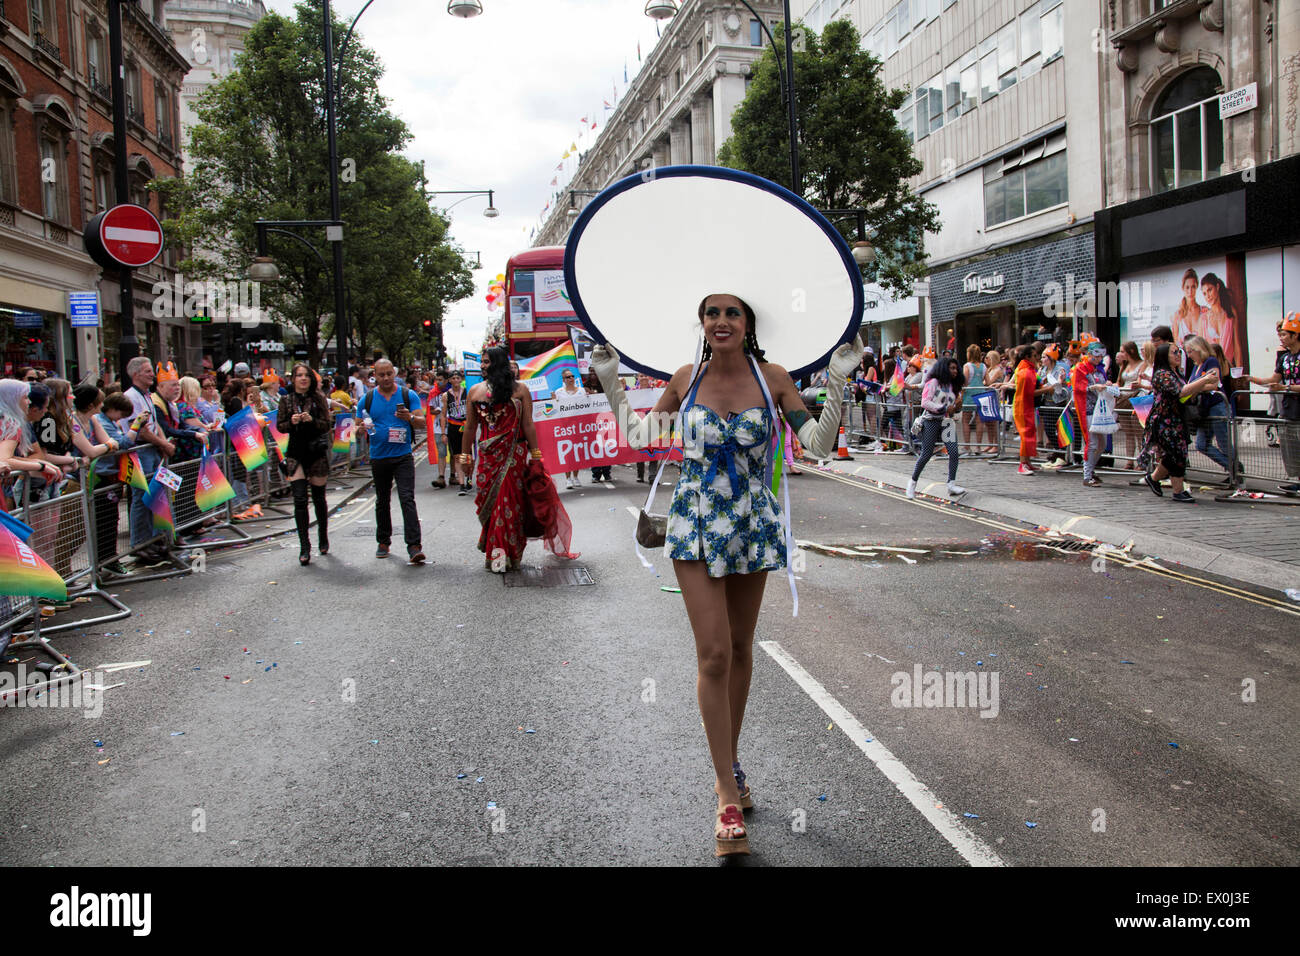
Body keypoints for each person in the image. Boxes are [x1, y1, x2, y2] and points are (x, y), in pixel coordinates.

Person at [591, 293, 862, 858]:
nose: (720, 322)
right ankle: (725, 794)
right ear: (702, 323)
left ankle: (731, 763)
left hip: (751, 523)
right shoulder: (686, 379)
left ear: (748, 324)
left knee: (741, 648)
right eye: (711, 313)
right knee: (713, 653)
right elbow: (640, 436)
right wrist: (609, 379)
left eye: (731, 313)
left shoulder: (775, 380)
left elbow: (818, 444)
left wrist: (838, 381)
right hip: (694, 520)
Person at [461, 346, 547, 571]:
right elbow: (470, 428)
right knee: (489, 505)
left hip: (513, 456)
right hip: (488, 458)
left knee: (508, 505)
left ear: (498, 363)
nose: (482, 366)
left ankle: (502, 556)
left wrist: (536, 455)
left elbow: (528, 424)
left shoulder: (520, 390)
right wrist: (465, 456)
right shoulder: (475, 392)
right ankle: (498, 551)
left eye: (487, 362)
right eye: (482, 362)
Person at [359, 358, 425, 563]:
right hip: (379, 456)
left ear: (394, 374)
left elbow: (422, 422)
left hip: (403, 456)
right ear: (375, 375)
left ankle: (414, 546)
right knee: (382, 501)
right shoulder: (367, 399)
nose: (386, 378)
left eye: (389, 373)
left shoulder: (408, 395)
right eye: (381, 374)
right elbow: (358, 425)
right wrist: (360, 429)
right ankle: (383, 542)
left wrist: (410, 419)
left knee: (407, 499)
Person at [1139, 342, 1220, 503]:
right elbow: (1180, 391)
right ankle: (1178, 491)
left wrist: (1204, 383)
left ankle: (1153, 478)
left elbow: (1185, 395)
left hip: (1176, 419)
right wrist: (1204, 380)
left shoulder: (1176, 373)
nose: (1178, 355)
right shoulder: (1163, 374)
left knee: (1175, 454)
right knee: (1177, 455)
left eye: (1179, 352)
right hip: (1164, 421)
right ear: (1164, 356)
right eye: (1174, 353)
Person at [278, 363, 334, 565]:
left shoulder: (318, 399)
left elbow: (327, 425)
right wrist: (291, 422)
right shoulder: (285, 400)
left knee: (319, 498)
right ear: (293, 379)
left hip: (316, 452)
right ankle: (304, 546)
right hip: (295, 453)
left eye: (306, 375)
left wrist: (311, 420)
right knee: (300, 499)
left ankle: (323, 537)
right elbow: (280, 426)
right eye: (299, 375)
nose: (303, 378)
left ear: (311, 379)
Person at [1247, 312, 1300, 492]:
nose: (1281, 338)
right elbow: (1273, 379)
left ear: (1295, 335)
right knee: (1292, 449)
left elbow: (1281, 385)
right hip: (1289, 410)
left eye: (1284, 334)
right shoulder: (1285, 358)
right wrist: (1252, 379)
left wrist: (1285, 388)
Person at [906, 357, 965, 499]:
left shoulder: (953, 386)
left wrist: (957, 405)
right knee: (926, 454)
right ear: (944, 368)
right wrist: (943, 408)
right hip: (931, 421)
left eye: (956, 368)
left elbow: (953, 408)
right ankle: (912, 483)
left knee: (954, 452)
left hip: (946, 421)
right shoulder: (933, 383)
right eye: (952, 368)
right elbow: (925, 402)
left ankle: (951, 484)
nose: (955, 371)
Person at [1184, 335, 1235, 484]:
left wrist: (1194, 388)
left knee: (1223, 441)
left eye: (1190, 351)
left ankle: (1235, 470)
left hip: (1216, 405)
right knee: (1201, 444)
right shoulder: (1196, 365)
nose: (1189, 355)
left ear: (1198, 349)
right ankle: (1233, 467)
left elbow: (1214, 384)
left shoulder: (1211, 361)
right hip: (1203, 408)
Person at [1073, 340, 1118, 487]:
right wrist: (1094, 387)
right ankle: (1087, 476)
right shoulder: (1080, 368)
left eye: (1101, 357)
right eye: (1096, 356)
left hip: (1100, 409)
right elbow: (1079, 387)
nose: (1099, 359)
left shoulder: (1099, 369)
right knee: (1092, 443)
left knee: (1103, 443)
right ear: (1090, 354)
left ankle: (1091, 470)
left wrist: (1107, 385)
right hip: (1087, 409)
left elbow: (1101, 384)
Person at [1003, 345, 1053, 474]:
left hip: (1025, 406)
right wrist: (1047, 389)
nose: (1037, 358)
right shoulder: (1026, 371)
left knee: (1030, 434)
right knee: (1026, 435)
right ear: (1028, 357)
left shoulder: (1026, 369)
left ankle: (1027, 462)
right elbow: (1029, 392)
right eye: (1035, 355)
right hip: (1023, 407)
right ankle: (1023, 464)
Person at [553, 369, 586, 489]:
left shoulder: (582, 391)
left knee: (578, 451)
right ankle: (568, 479)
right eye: (568, 377)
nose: (571, 378)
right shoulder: (558, 392)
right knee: (567, 452)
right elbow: (554, 409)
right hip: (565, 427)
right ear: (563, 380)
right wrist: (552, 400)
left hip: (579, 426)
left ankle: (576, 477)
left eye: (572, 376)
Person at [1114, 342, 1145, 468]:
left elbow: (1140, 381)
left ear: (1131, 351)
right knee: (1128, 432)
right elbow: (1119, 381)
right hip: (1123, 399)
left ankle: (1142, 460)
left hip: (1135, 398)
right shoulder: (1124, 365)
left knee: (1138, 432)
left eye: (1123, 351)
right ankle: (1129, 460)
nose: (1121, 354)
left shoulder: (1141, 364)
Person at [1199, 273, 1237, 367]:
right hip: (1211, 371)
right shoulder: (1203, 319)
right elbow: (1200, 351)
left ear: (1217, 286)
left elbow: (1237, 347)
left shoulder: (1230, 312)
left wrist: (1239, 375)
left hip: (1228, 370)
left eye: (1210, 290)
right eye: (1204, 293)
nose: (1207, 296)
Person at [441, 370, 470, 494]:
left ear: (461, 379)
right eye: (453, 378)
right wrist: (443, 432)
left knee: (468, 455)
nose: (456, 380)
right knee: (457, 456)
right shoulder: (446, 396)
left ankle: (468, 478)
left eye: (458, 378)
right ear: (449, 380)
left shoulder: (467, 392)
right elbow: (443, 415)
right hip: (453, 426)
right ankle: (461, 482)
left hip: (466, 425)